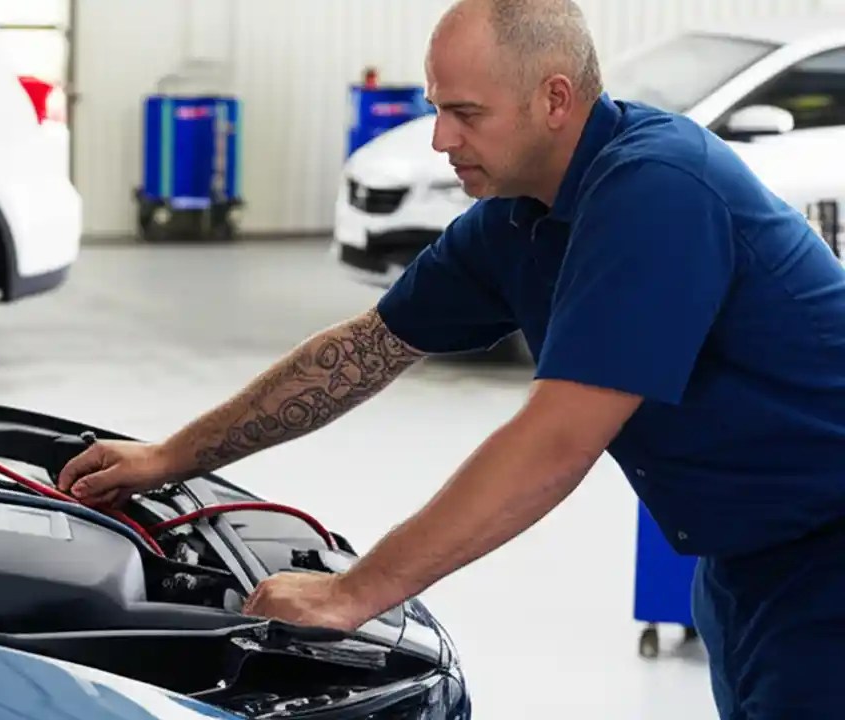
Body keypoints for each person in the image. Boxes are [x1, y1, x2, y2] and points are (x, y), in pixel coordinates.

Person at [58, 0, 845, 716]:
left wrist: (354, 594)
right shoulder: (514, 219)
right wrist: (170, 456)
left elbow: (556, 442)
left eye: (466, 114)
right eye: (437, 109)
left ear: (556, 99)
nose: (441, 139)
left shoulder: (657, 191)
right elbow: (364, 350)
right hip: (745, 565)